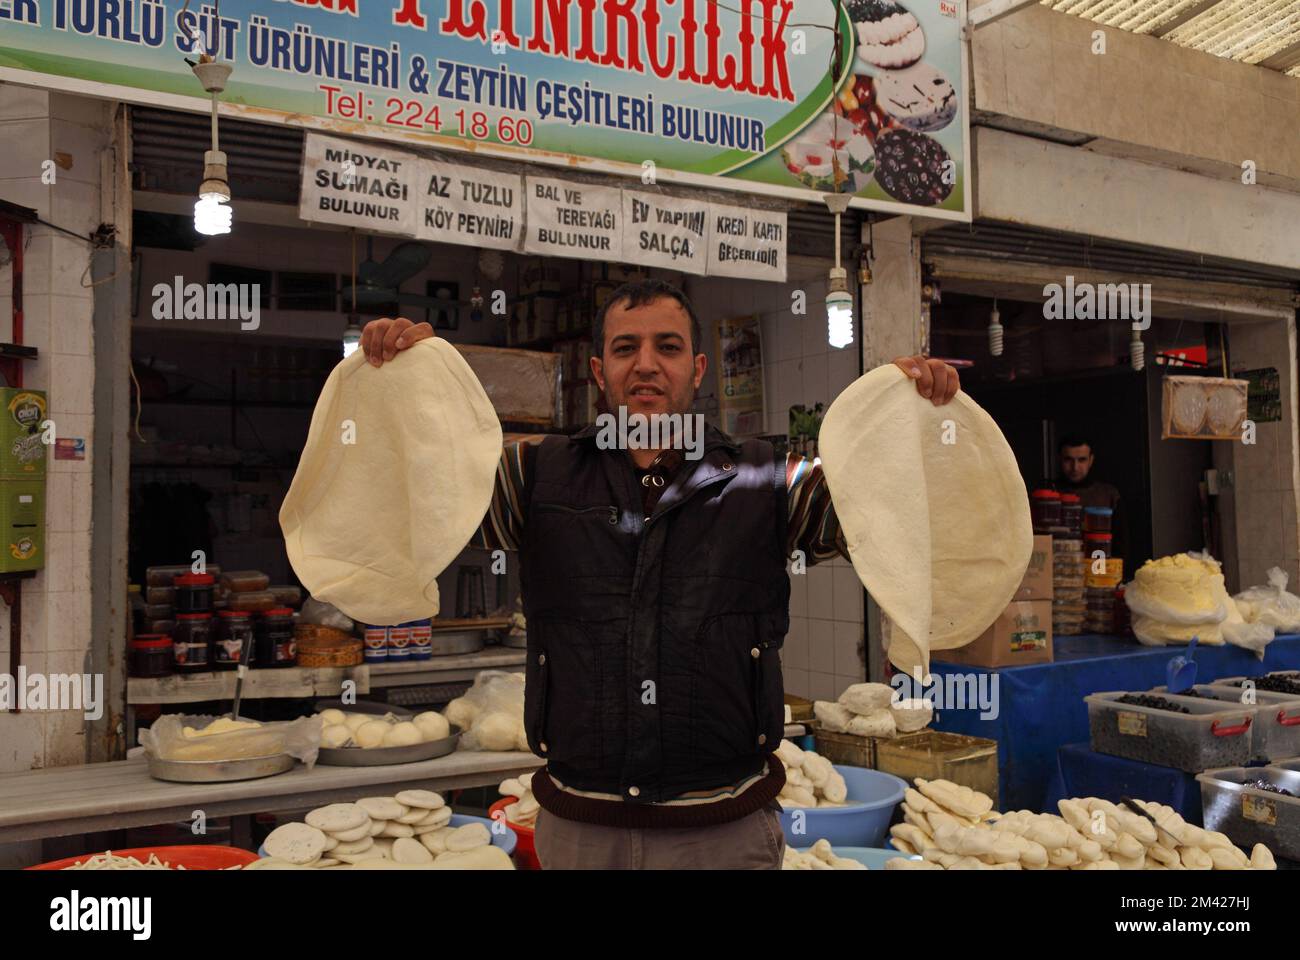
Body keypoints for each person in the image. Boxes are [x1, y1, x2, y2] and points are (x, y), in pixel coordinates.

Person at [360, 278, 959, 869]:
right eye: (626, 349)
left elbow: (888, 521)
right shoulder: (535, 476)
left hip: (722, 833)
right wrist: (399, 387)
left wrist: (921, 422)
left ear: (698, 369)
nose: (646, 365)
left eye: (667, 347)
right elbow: (420, 503)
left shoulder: (767, 480)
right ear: (599, 371)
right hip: (581, 830)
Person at [1058, 434, 1125, 557]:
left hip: (1100, 567)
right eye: (1068, 459)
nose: (1075, 467)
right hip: (1059, 566)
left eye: (1082, 460)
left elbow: (1122, 546)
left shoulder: (1108, 494)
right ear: (1060, 459)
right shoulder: (1048, 498)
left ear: (1091, 460)